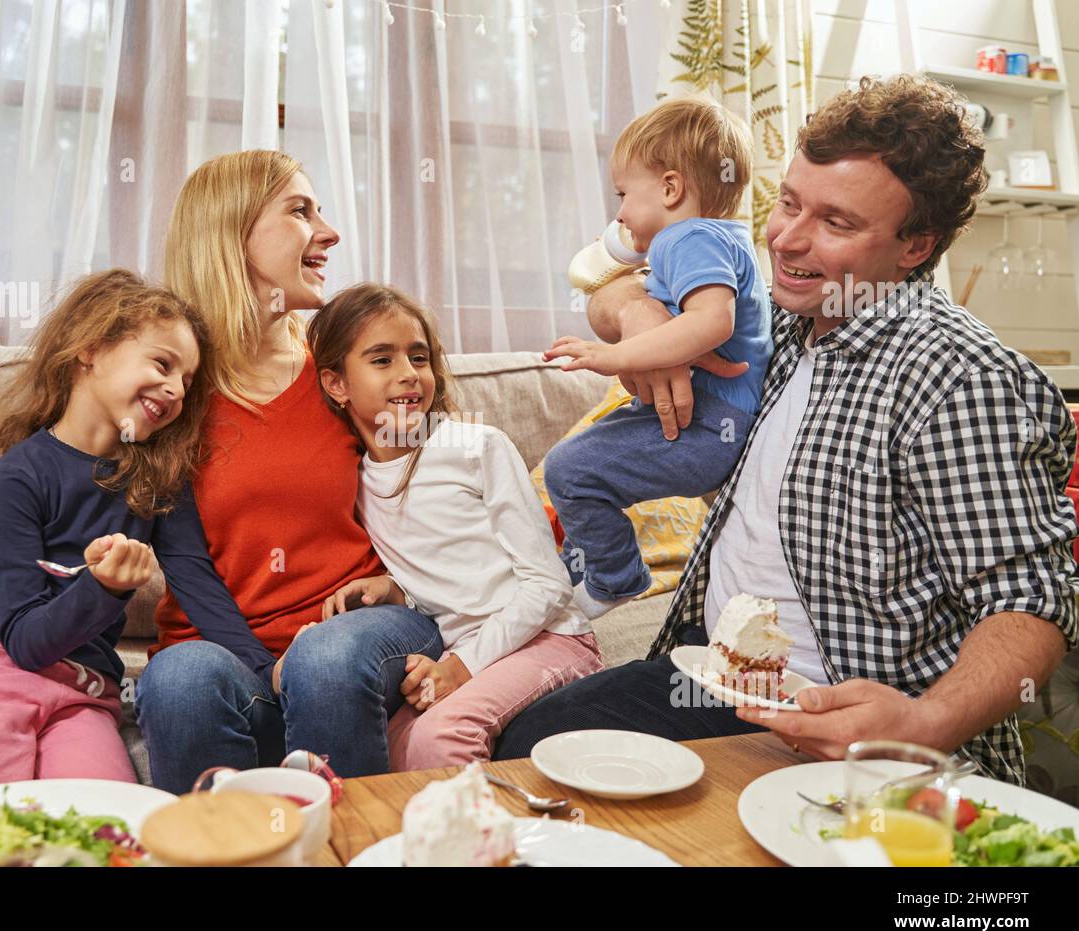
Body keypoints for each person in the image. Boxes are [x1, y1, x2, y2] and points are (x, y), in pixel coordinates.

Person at [495, 75, 1079, 784]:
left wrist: (925, 722)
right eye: (789, 202)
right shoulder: (774, 323)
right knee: (528, 747)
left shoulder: (963, 377)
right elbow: (614, 283)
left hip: (868, 730)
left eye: (836, 223)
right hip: (716, 681)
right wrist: (640, 317)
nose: (787, 240)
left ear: (915, 246)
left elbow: (1030, 602)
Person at [0, 152, 445, 790]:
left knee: (324, 658)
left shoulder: (347, 368)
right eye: (301, 211)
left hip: (352, 636)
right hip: (224, 657)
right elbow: (66, 486)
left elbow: (447, 487)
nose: (328, 233)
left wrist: (405, 584)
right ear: (231, 231)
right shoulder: (162, 394)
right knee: (177, 683)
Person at [0, 269, 251, 805]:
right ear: (91, 350)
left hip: (84, 692)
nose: (176, 389)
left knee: (104, 827)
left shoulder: (159, 483)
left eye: (188, 380)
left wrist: (269, 674)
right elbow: (25, 641)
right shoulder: (20, 475)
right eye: (162, 363)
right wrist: (102, 589)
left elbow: (200, 587)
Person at [304, 282, 604, 771]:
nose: (408, 375)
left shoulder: (476, 447)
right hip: (470, 651)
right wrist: (395, 589)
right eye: (382, 360)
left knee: (441, 737)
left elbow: (548, 586)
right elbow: (455, 575)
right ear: (337, 384)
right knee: (395, 748)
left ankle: (490, 847)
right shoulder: (353, 480)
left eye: (418, 358)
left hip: (552, 641)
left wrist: (460, 668)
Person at [544, 97, 772, 621]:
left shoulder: (686, 238)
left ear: (671, 189)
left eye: (624, 194)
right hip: (712, 421)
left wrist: (614, 355)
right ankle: (577, 572)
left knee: (570, 470)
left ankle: (616, 578)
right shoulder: (717, 238)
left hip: (712, 423)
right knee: (580, 464)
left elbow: (712, 321)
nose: (619, 213)